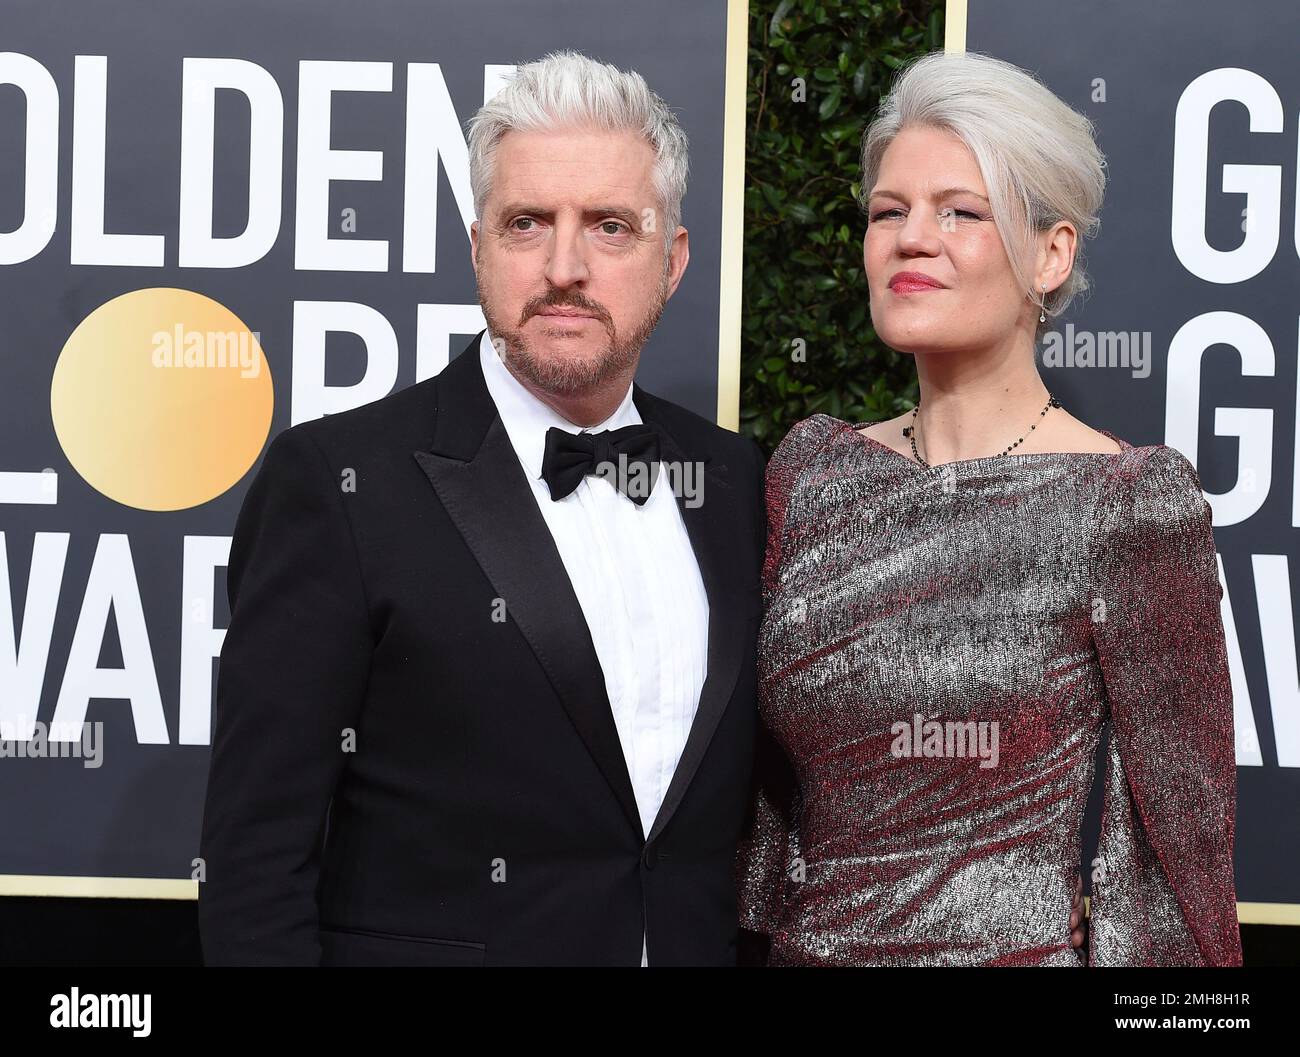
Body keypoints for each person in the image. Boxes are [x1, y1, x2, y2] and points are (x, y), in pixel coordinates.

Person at [197, 50, 767, 966]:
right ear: (477, 247)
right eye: (527, 223)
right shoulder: (338, 483)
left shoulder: (734, 481)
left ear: (674, 260)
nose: (564, 266)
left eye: (611, 227)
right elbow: (256, 864)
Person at [736, 50, 1242, 966]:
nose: (910, 238)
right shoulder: (810, 473)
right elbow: (764, 824)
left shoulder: (1129, 503)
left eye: (960, 213)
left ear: (1051, 253)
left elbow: (1182, 856)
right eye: (888, 211)